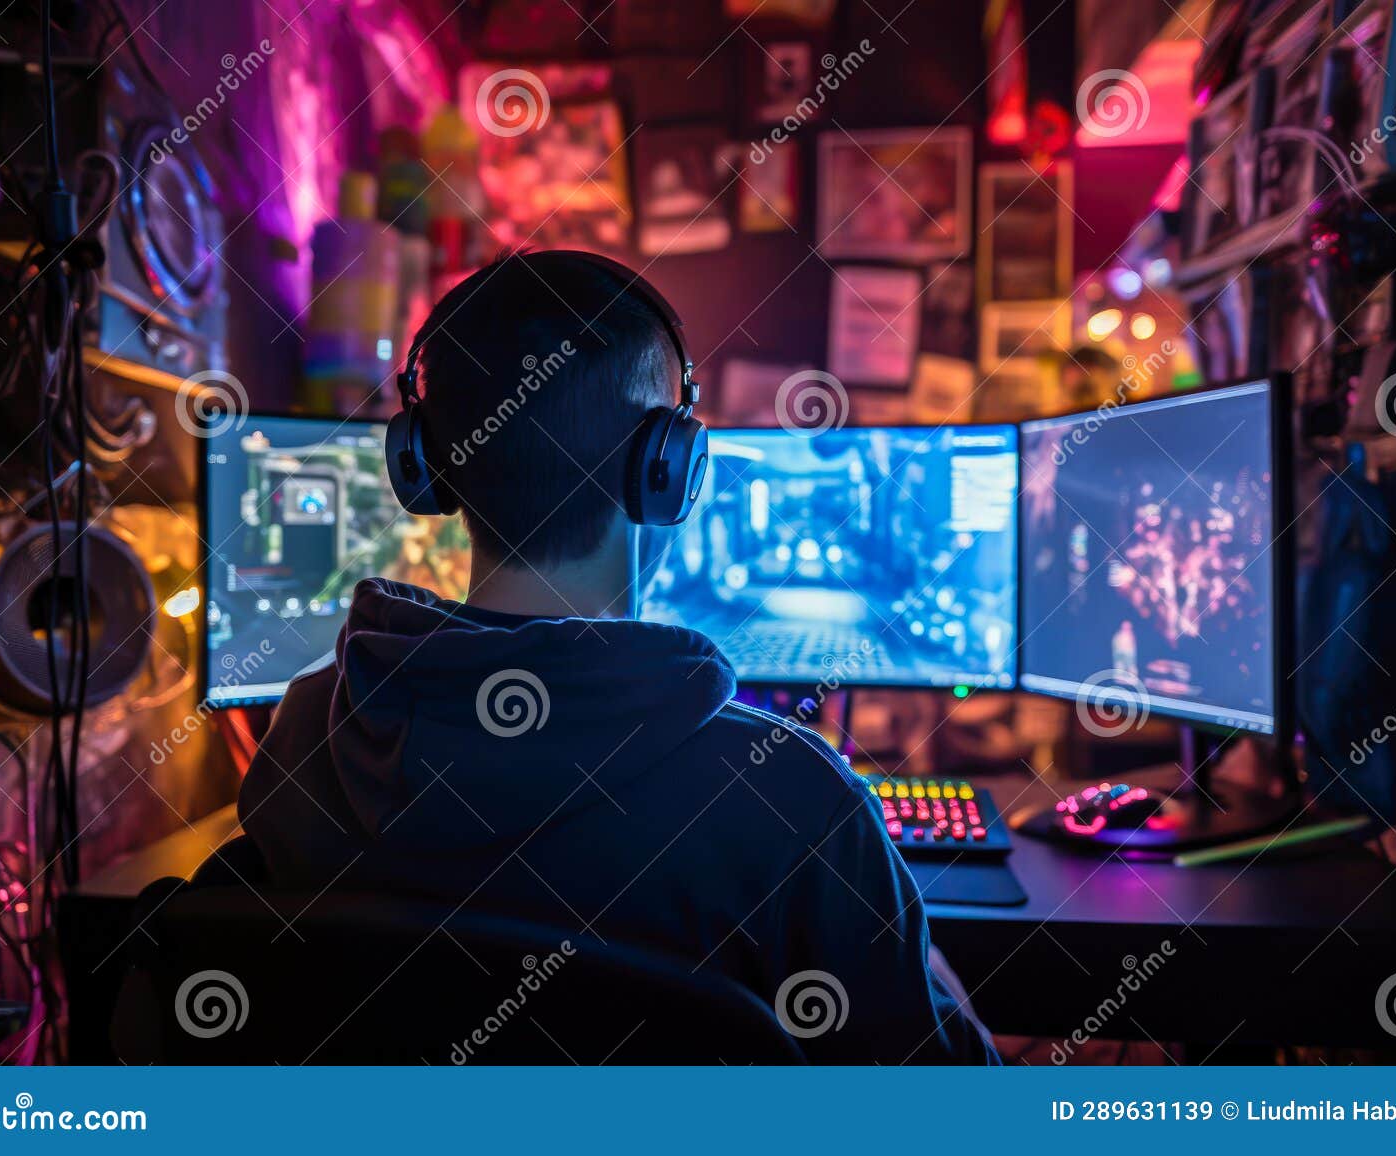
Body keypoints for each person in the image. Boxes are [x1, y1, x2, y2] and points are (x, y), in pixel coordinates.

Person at [238, 250, 997, 1064]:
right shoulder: (794, 799)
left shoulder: (308, 731)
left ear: (426, 465)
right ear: (667, 470)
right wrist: (932, 975)